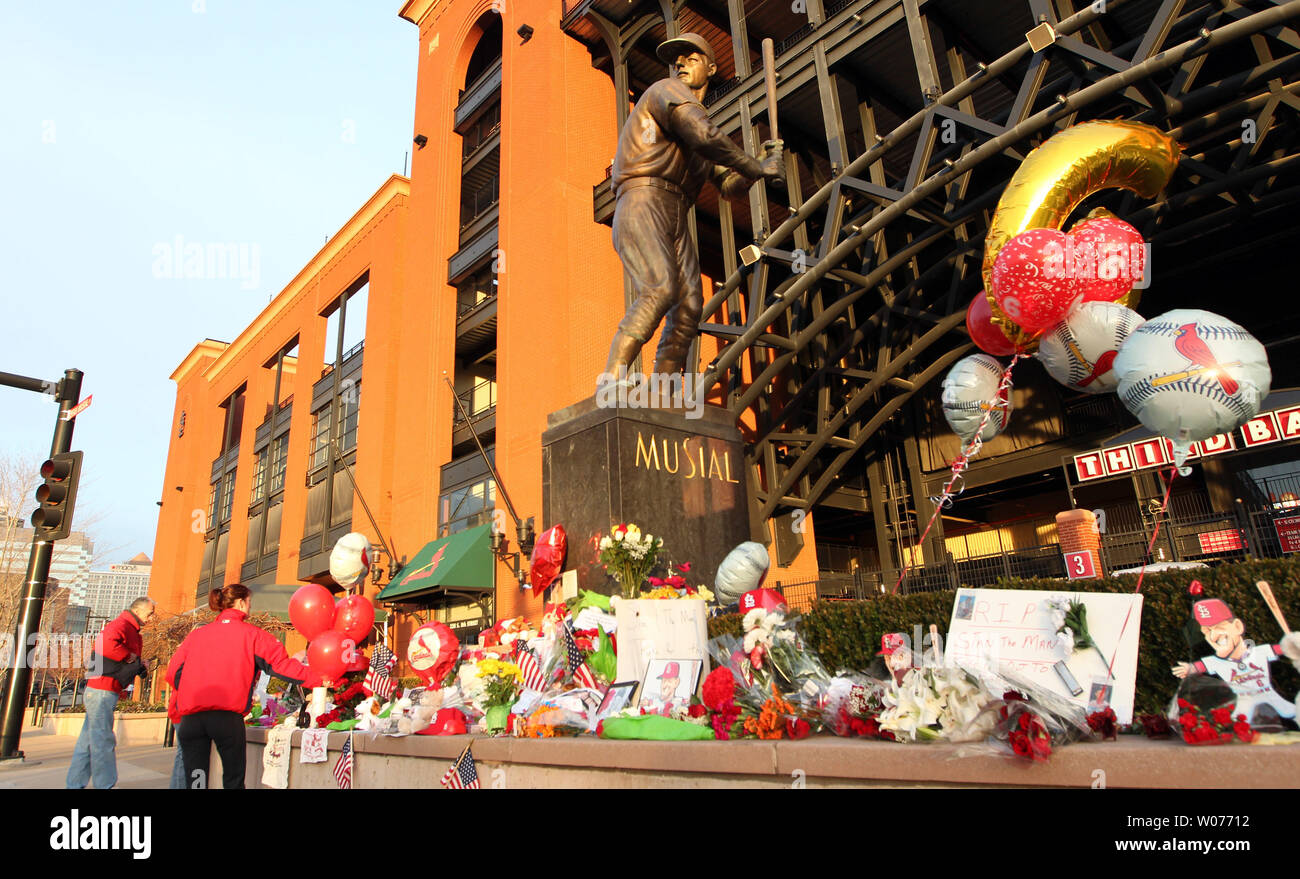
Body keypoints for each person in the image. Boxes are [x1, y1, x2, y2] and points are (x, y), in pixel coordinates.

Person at [602, 32, 784, 383]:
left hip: (676, 211)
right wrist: (753, 165)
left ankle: (664, 393)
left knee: (688, 308)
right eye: (677, 59)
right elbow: (702, 134)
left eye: (692, 57)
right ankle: (611, 381)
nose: (680, 63)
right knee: (659, 288)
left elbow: (729, 186)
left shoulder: (695, 127)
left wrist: (758, 167)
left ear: (712, 68)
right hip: (642, 199)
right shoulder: (666, 92)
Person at [166, 584, 321, 789]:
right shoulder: (253, 635)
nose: (250, 606)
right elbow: (281, 666)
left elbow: (172, 673)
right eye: (249, 602)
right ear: (240, 603)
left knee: (196, 778)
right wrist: (319, 678)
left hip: (192, 718)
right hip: (226, 718)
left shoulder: (196, 635)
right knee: (233, 778)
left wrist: (192, 689)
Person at [67, 597, 154, 789]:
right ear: (138, 611)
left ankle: (75, 784)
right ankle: (104, 784)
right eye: (150, 613)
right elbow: (106, 644)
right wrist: (130, 656)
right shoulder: (122, 624)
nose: (151, 617)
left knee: (88, 742)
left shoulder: (127, 627)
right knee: (102, 740)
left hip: (101, 689)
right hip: (102, 690)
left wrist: (138, 662)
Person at [1172, 598, 1299, 726]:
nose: (1212, 636)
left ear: (1237, 627)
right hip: (1244, 698)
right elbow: (1199, 666)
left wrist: (1293, 642)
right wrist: (1189, 668)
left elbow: (1284, 648)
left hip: (1267, 692)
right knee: (1237, 722)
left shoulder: (1258, 652)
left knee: (1290, 711)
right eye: (1207, 631)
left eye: (1219, 627)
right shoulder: (1216, 661)